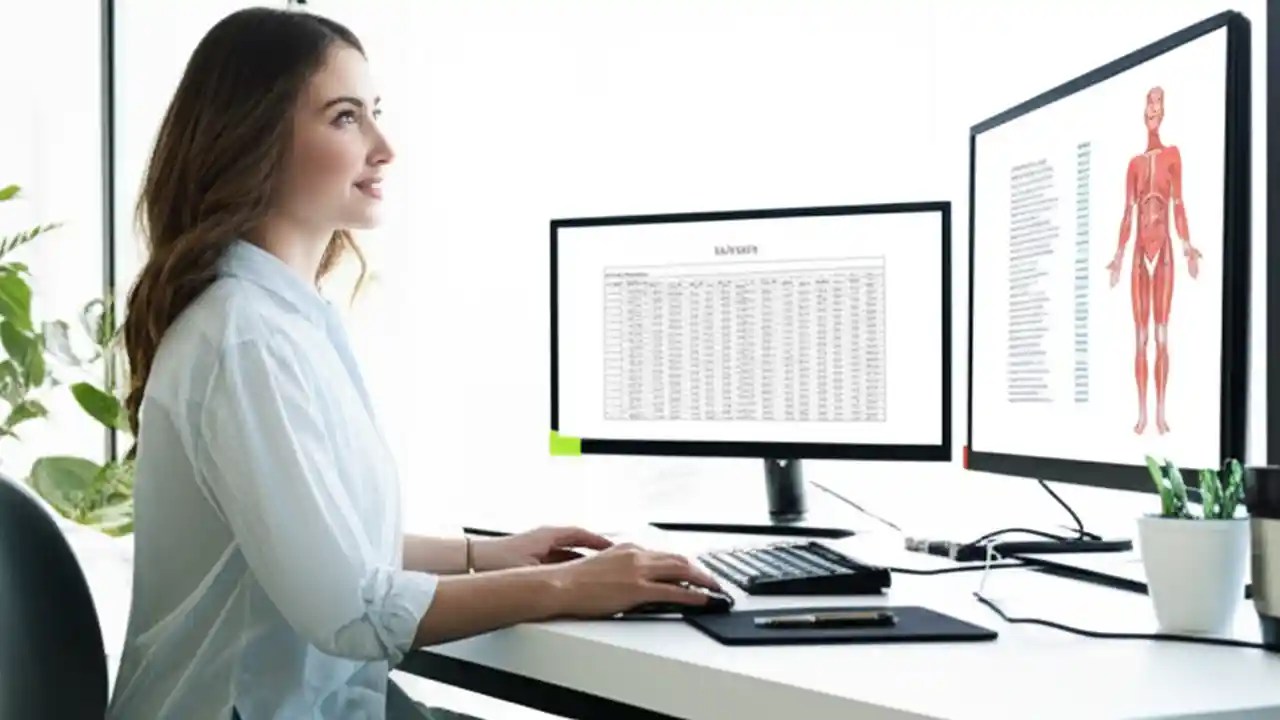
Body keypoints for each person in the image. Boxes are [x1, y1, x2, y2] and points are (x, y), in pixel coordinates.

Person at [106, 8, 721, 719]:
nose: (384, 146)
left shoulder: (285, 320)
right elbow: (351, 612)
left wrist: (484, 555)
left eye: (375, 113)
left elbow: (315, 547)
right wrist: (575, 587)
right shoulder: (245, 338)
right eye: (345, 118)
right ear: (253, 141)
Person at [1106, 86, 1201, 436]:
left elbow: (1178, 204)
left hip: (1163, 252)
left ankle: (1161, 413)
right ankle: (1142, 414)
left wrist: (1188, 245)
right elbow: (1127, 213)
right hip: (1137, 255)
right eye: (1149, 102)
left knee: (1161, 335)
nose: (1153, 108)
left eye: (1158, 103)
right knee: (1140, 337)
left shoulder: (1173, 156)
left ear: (1163, 112)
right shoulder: (1132, 164)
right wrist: (1117, 256)